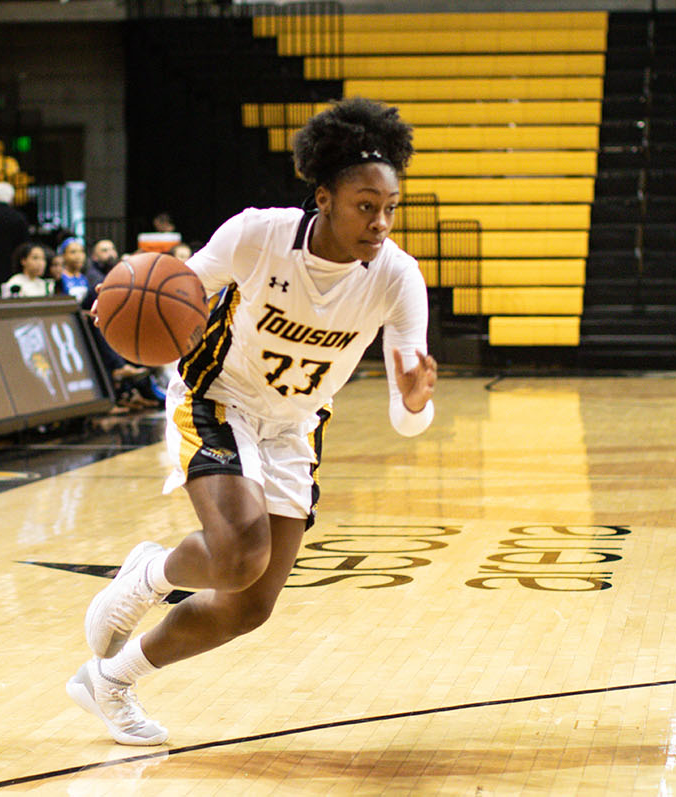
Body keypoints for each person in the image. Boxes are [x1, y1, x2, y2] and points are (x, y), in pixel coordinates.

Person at [66, 97, 438, 745]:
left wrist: (412, 400)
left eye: (389, 208)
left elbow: (410, 423)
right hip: (218, 397)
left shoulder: (397, 279)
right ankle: (149, 574)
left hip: (295, 423)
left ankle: (109, 680)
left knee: (248, 605)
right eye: (365, 205)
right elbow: (176, 289)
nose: (380, 222)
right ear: (322, 197)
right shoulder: (258, 234)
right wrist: (128, 301)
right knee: (237, 552)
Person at [54, 237, 90, 302]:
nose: (78, 256)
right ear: (63, 255)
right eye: (73, 252)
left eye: (81, 251)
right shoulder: (59, 279)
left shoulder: (85, 278)